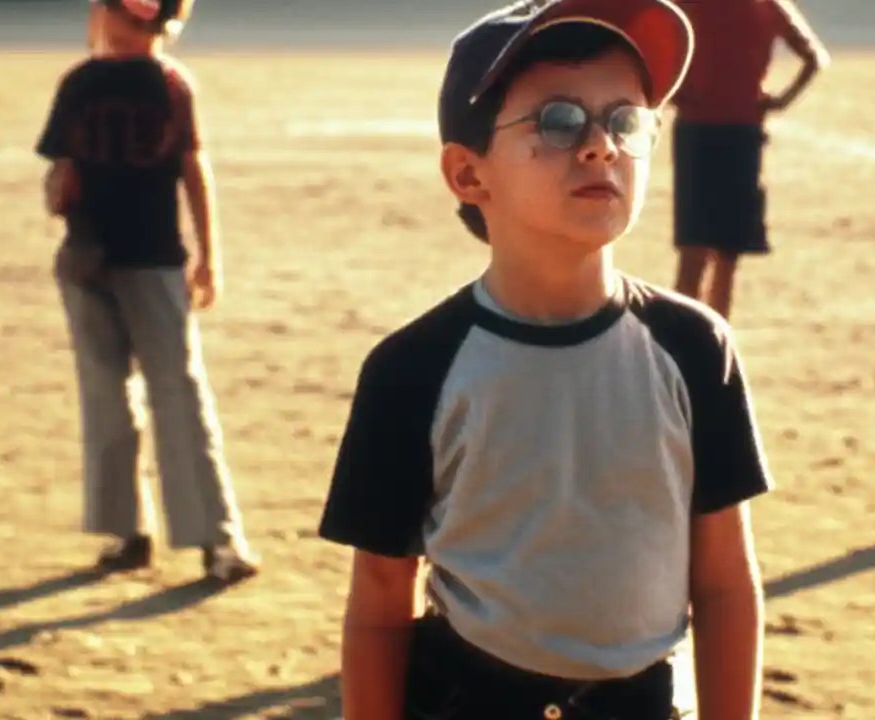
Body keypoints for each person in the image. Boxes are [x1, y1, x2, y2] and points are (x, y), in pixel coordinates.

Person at [318, 2, 773, 718]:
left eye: (625, 121)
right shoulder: (415, 368)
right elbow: (379, 602)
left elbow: (723, 582)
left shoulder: (693, 348)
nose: (600, 147)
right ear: (469, 175)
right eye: (558, 121)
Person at [35, 0, 259, 582]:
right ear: (104, 15)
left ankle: (218, 539)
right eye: (129, 19)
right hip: (88, 261)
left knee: (178, 394)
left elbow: (193, 166)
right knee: (105, 397)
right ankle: (126, 531)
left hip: (154, 258)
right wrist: (61, 188)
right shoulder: (81, 83)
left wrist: (209, 254)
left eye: (151, 25)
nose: (141, 34)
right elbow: (60, 172)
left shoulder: (169, 83)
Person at [670, 0, 829, 319]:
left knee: (696, 249)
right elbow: (813, 58)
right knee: (726, 252)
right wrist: (781, 100)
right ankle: (712, 339)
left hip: (699, 131)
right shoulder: (767, 4)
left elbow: (650, 42)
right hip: (740, 132)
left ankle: (682, 340)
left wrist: (674, 92)